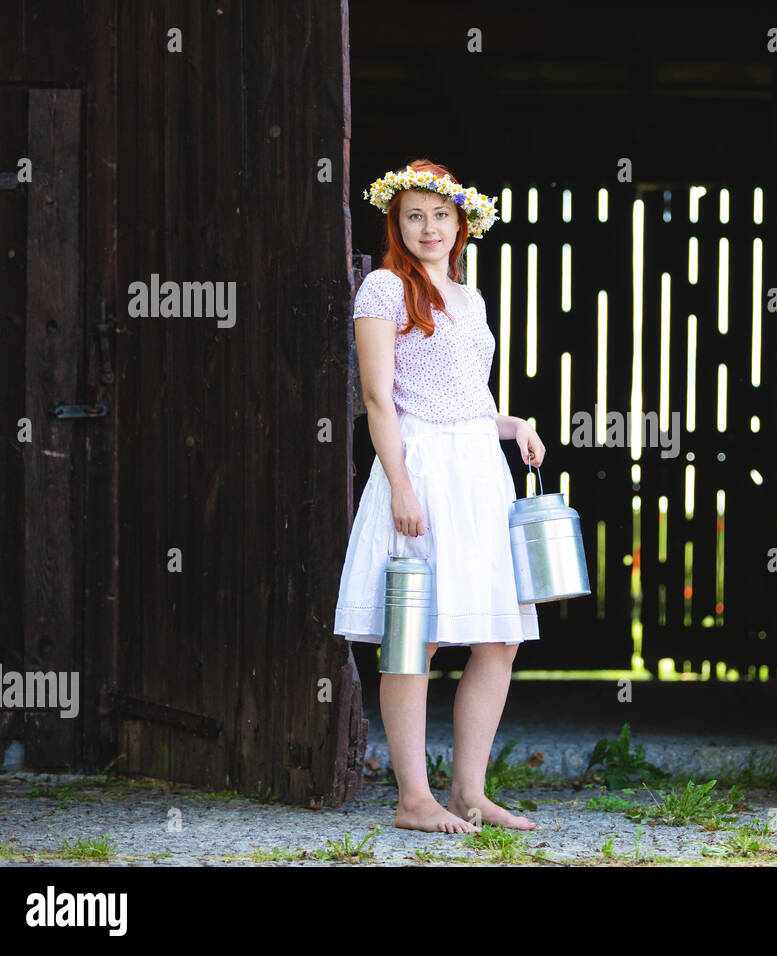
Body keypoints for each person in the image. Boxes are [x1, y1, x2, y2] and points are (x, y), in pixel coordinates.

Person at [333, 159, 544, 833]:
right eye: (414, 215)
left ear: (462, 226)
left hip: (479, 471)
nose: (428, 227)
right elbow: (377, 397)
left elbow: (466, 401)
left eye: (441, 215)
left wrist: (516, 426)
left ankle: (469, 792)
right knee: (414, 637)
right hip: (420, 466)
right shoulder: (384, 289)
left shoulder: (469, 298)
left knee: (498, 637)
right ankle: (413, 798)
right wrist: (399, 483)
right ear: (396, 222)